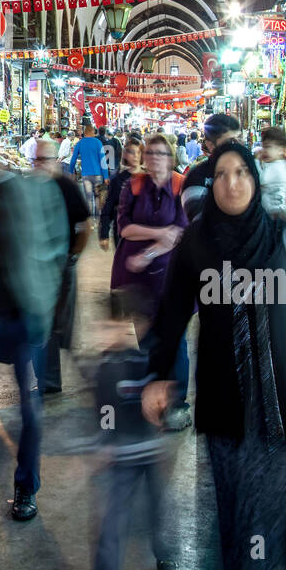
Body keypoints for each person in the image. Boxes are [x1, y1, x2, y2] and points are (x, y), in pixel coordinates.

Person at [143, 141, 286, 570]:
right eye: (223, 174)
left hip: (282, 392)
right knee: (232, 497)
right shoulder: (197, 242)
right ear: (214, 185)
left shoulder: (283, 233)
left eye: (242, 173)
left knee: (276, 497)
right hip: (226, 393)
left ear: (255, 181)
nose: (233, 183)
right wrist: (159, 375)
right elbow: (171, 313)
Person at [0, 138, 68, 521]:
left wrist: (43, 299)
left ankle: (25, 487)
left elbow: (57, 247)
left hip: (25, 319)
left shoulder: (30, 193)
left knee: (30, 409)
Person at [91, 293, 177, 570]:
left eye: (121, 325)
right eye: (106, 326)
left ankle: (166, 555)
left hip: (152, 452)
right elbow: (103, 411)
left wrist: (166, 416)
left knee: (160, 510)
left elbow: (170, 396)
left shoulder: (154, 358)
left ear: (139, 326)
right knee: (113, 521)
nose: (110, 333)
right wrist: (104, 443)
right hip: (121, 458)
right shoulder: (105, 367)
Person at [111, 134, 190, 430]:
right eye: (151, 153)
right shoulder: (132, 185)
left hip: (172, 273)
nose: (155, 158)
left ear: (171, 157)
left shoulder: (181, 185)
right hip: (135, 272)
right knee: (142, 336)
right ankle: (146, 401)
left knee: (176, 339)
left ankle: (177, 404)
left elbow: (180, 231)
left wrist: (152, 250)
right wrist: (157, 235)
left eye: (161, 153)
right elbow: (124, 227)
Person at [30, 137, 91, 394]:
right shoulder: (29, 187)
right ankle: (48, 378)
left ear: (55, 161)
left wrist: (73, 256)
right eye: (35, 160)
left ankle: (54, 378)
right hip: (35, 265)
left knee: (56, 323)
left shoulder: (67, 186)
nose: (38, 165)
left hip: (61, 263)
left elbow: (84, 226)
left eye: (43, 160)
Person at [180, 113, 241, 224]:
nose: (236, 147)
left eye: (239, 141)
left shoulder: (246, 171)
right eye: (230, 142)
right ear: (210, 145)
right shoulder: (197, 177)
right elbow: (201, 220)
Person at [99, 137, 143, 249]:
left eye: (139, 152)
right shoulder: (118, 180)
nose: (136, 156)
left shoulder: (150, 179)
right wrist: (104, 234)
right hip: (122, 232)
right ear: (126, 155)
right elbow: (108, 208)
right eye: (132, 152)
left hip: (144, 233)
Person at [70, 119, 109, 215]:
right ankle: (97, 220)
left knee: (88, 198)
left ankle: (91, 221)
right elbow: (103, 161)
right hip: (98, 175)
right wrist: (106, 176)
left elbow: (73, 159)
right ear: (93, 132)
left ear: (84, 132)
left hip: (86, 175)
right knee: (97, 197)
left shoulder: (80, 143)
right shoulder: (98, 143)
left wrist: (71, 172)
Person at [257, 126, 286, 214]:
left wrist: (256, 161)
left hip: (274, 212)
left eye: (268, 147)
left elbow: (260, 180)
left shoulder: (278, 167)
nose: (264, 151)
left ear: (281, 150)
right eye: (263, 147)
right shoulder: (274, 164)